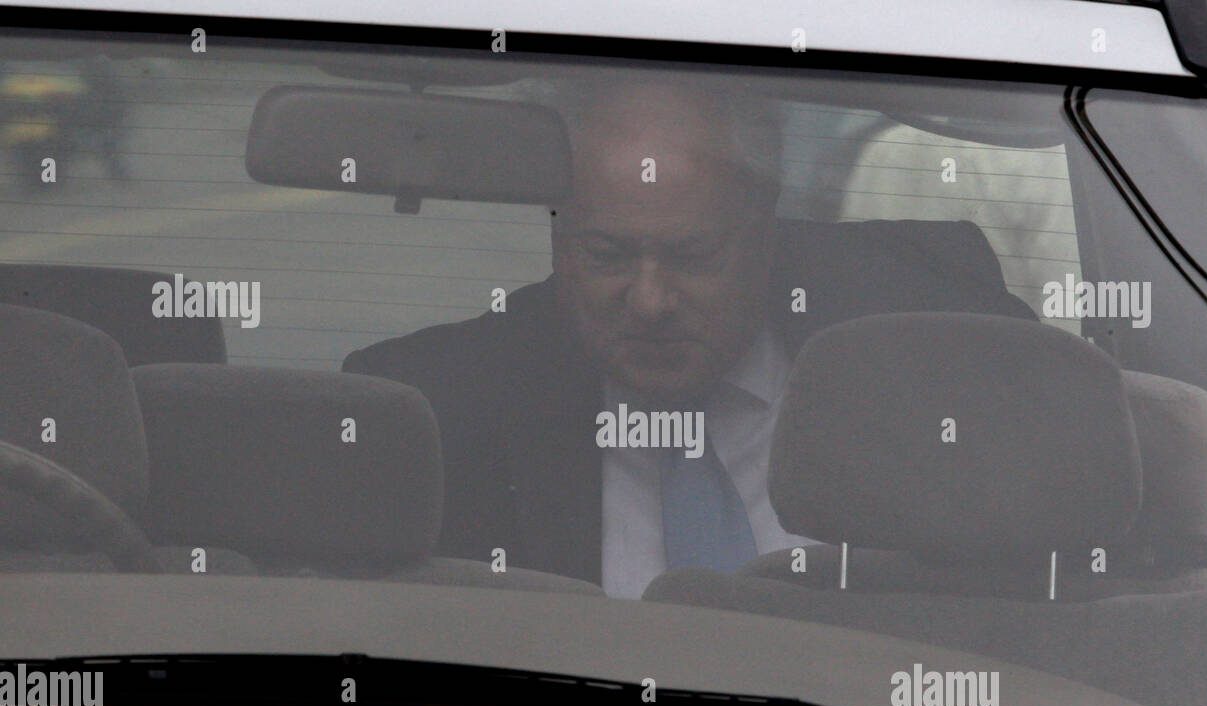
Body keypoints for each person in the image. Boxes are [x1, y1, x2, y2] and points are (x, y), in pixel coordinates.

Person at [342, 81, 1032, 596]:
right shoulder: (440, 418)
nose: (649, 302)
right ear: (556, 241)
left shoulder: (927, 354)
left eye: (694, 256)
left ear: (766, 233)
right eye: (608, 254)